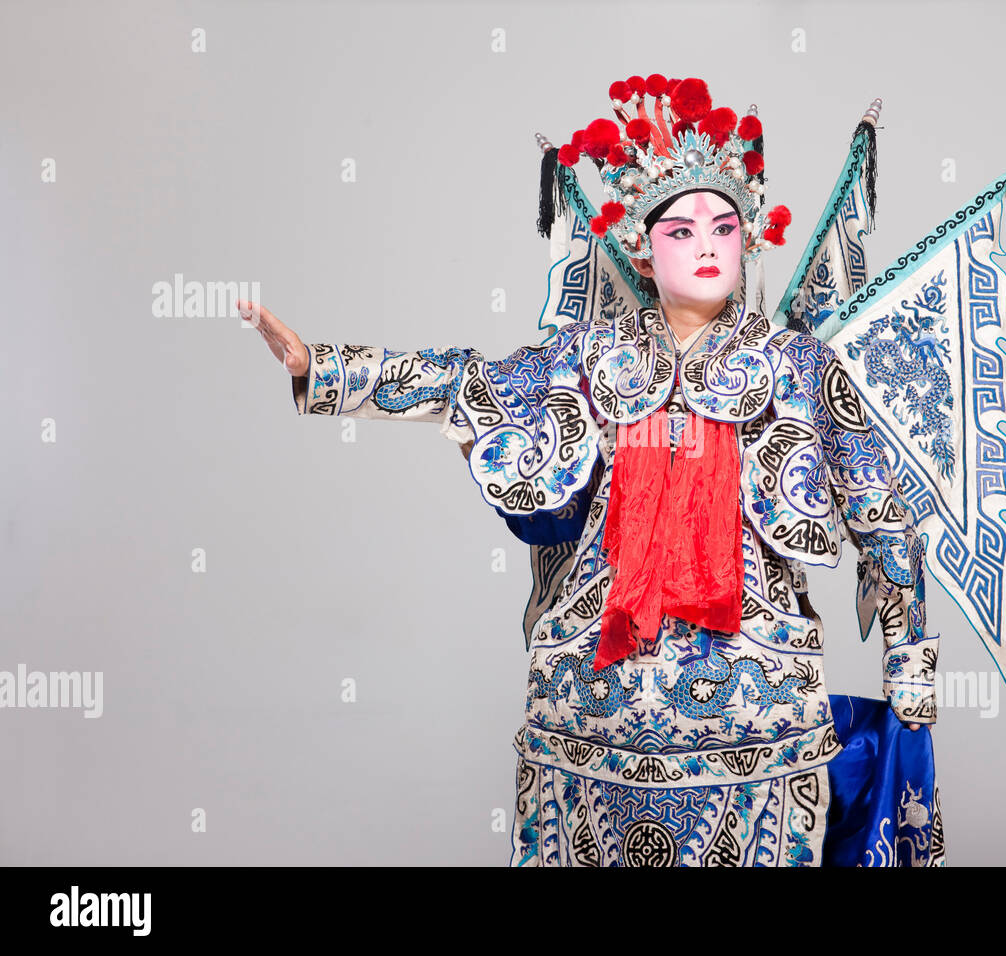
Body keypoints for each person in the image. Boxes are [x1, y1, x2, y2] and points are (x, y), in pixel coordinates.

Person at [239, 74, 940, 867]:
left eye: (724, 225)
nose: (707, 243)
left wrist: (908, 660)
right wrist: (322, 369)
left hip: (759, 710)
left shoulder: (797, 366)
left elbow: (883, 514)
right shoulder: (590, 355)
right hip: (588, 708)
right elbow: (467, 383)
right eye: (682, 230)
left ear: (749, 238)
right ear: (642, 244)